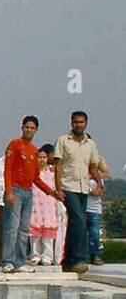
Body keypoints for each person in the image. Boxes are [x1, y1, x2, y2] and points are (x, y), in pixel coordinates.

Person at [2, 116, 61, 274]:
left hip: (28, 192)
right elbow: (7, 169)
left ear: (36, 130)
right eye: (27, 127)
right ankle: (8, 261)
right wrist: (8, 191)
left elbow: (35, 178)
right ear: (22, 128)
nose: (29, 130)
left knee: (24, 229)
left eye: (32, 127)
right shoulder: (14, 145)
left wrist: (52, 192)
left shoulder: (34, 150)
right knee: (12, 228)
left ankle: (20, 262)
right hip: (15, 190)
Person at [53, 111, 103, 274]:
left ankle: (67, 260)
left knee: (76, 224)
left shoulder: (91, 144)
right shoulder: (63, 141)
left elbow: (93, 166)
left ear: (86, 123)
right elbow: (58, 166)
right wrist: (58, 188)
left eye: (81, 122)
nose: (78, 125)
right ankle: (78, 259)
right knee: (79, 221)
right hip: (68, 186)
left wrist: (99, 182)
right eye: (75, 122)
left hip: (84, 187)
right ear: (71, 123)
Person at [30, 146, 59, 266]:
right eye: (39, 157)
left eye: (44, 157)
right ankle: (35, 255)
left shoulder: (52, 173)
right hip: (35, 205)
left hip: (49, 206)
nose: (41, 160)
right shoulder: (32, 172)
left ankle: (47, 257)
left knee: (48, 233)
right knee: (35, 234)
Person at [87, 158, 108, 266]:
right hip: (83, 208)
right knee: (81, 234)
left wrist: (91, 191)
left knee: (95, 234)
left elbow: (100, 190)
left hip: (95, 209)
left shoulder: (97, 178)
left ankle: (96, 255)